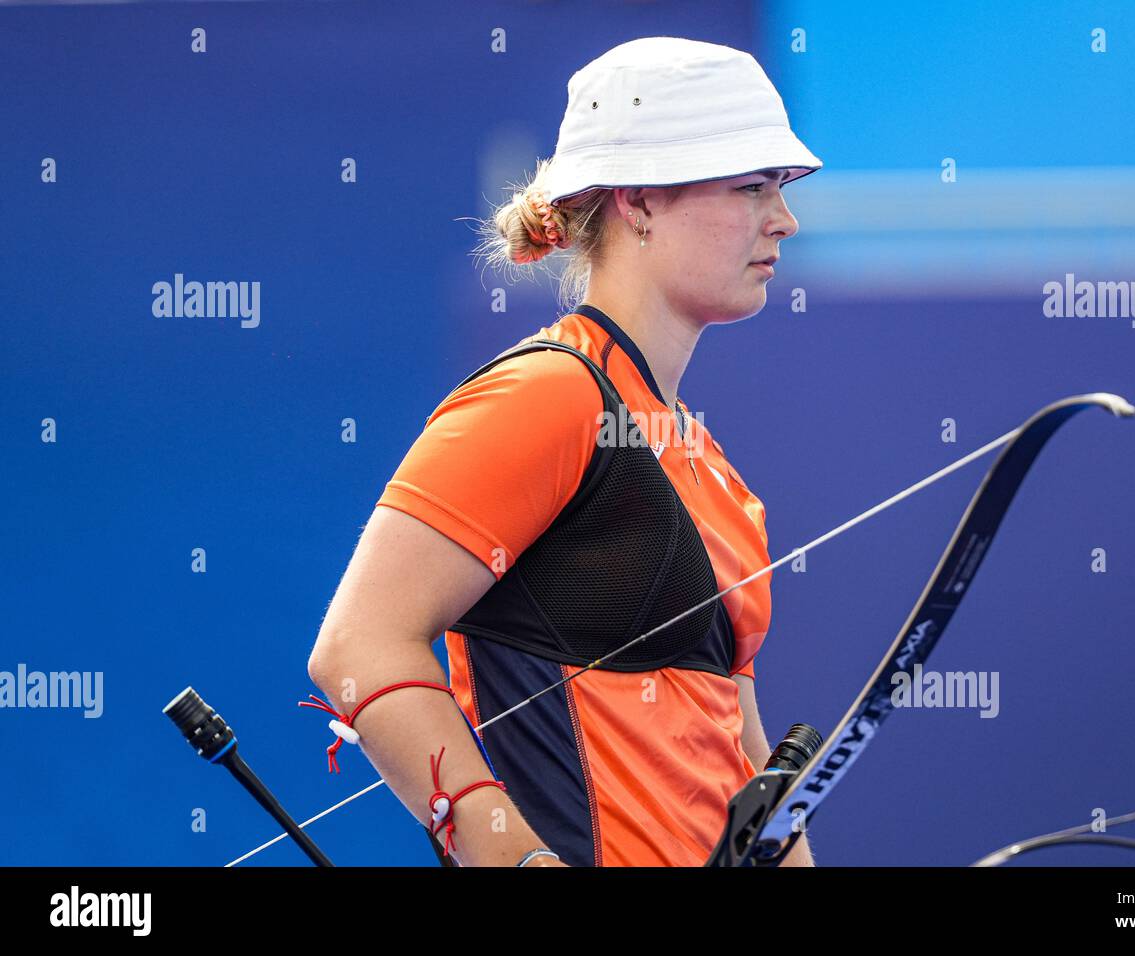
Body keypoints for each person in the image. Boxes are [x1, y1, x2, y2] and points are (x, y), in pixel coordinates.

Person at [306, 36, 822, 867]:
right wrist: (510, 856)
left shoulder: (704, 459)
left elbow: (742, 758)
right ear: (640, 201)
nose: (784, 219)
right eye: (750, 185)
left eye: (783, 188)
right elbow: (358, 647)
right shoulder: (548, 395)